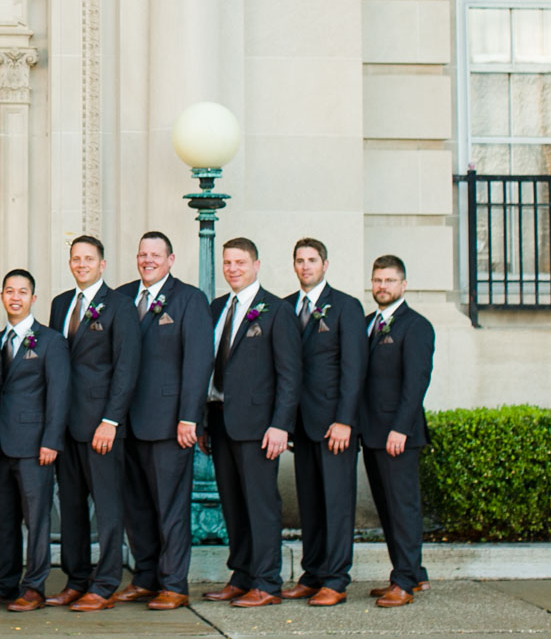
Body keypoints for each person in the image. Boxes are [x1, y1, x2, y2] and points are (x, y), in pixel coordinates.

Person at [113, 232, 212, 610]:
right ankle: (146, 577)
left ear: (171, 259)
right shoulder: (121, 297)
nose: (148, 260)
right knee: (136, 506)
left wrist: (190, 417)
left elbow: (199, 362)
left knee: (170, 507)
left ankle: (174, 583)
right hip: (126, 423)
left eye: (156, 254)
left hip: (171, 423)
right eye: (142, 254)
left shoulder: (189, 299)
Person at [203, 237, 302, 609]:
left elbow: (290, 374)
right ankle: (241, 574)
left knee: (260, 504)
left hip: (260, 426)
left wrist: (281, 425)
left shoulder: (275, 310)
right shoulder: (215, 309)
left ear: (256, 265)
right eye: (228, 263)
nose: (233, 269)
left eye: (240, 262)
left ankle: (267, 582)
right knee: (232, 502)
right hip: (219, 419)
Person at [46, 235, 139, 611]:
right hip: (64, 426)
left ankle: (106, 583)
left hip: (102, 426)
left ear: (103, 264)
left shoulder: (120, 306)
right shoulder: (60, 304)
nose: (81, 264)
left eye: (89, 259)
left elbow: (126, 368)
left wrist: (111, 420)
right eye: (75, 258)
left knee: (107, 507)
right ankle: (76, 578)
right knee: (70, 508)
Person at [282, 239, 366, 607]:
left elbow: (354, 370)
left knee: (336, 503)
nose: (305, 267)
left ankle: (335, 578)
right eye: (299, 261)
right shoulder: (285, 307)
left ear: (325, 264)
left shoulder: (346, 307)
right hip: (301, 425)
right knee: (310, 504)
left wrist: (344, 420)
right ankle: (312, 573)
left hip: (334, 426)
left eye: (311, 260)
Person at [0, 269, 68, 613]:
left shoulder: (50, 340)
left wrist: (51, 440)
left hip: (35, 445)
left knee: (37, 519)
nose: (15, 297)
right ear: (2, 297)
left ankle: (34, 585)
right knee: (4, 517)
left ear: (33, 299)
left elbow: (59, 394)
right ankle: (6, 581)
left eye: (22, 292)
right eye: (9, 291)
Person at [361, 254, 435, 609]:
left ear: (403, 285)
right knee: (387, 509)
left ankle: (403, 581)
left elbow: (416, 383)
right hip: (372, 433)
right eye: (377, 280)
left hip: (398, 436)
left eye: (389, 281)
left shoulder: (416, 326)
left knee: (403, 508)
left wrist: (399, 429)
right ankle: (413, 573)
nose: (382, 287)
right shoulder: (367, 323)